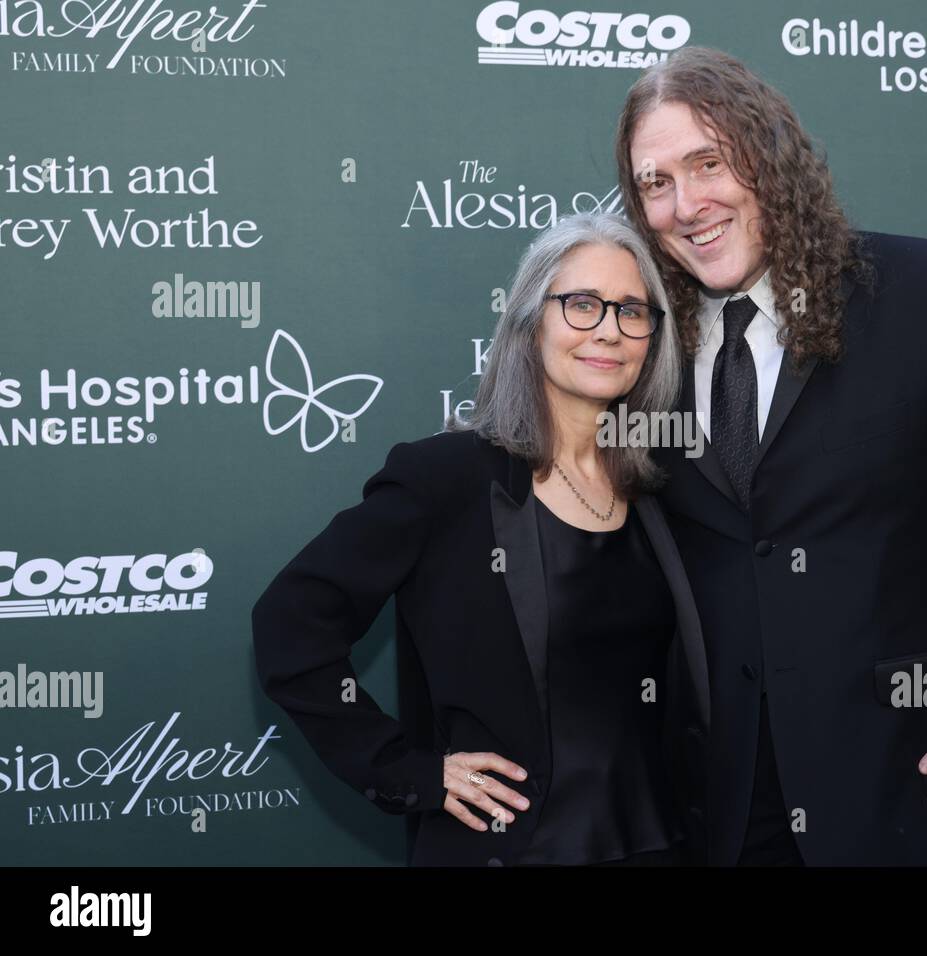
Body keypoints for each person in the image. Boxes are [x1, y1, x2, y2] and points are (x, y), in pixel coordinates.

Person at [614, 47, 927, 866]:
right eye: (654, 183)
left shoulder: (923, 292)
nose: (685, 203)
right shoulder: (641, 335)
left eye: (707, 162)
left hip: (897, 781)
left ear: (768, 158)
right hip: (708, 797)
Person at [251, 211, 709, 866]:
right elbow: (290, 623)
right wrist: (406, 769)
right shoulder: (447, 479)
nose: (609, 329)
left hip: (659, 847)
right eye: (582, 304)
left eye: (634, 311)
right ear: (529, 319)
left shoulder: (662, 494)